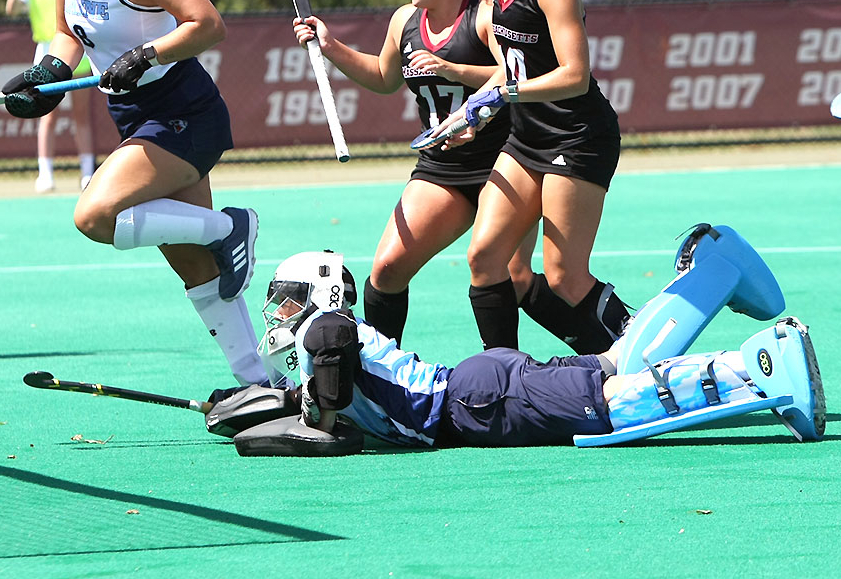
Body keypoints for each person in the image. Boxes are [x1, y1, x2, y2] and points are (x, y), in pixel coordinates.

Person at [1, 0, 273, 388]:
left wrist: (148, 54)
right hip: (135, 116)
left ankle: (231, 226)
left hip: (184, 112)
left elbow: (208, 24)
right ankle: (259, 383)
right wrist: (47, 76)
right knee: (194, 265)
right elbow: (68, 36)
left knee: (94, 216)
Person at [292, 0, 627, 355]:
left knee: (519, 278)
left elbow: (519, 72)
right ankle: (381, 379)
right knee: (388, 269)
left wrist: (454, 71)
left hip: (503, 158)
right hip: (442, 169)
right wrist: (330, 45)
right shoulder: (405, 22)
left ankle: (583, 356)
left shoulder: (486, 14)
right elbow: (382, 77)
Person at [209, 248, 825, 456]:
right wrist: (247, 404)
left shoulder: (328, 331)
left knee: (617, 403)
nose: (280, 315)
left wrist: (308, 415)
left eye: (288, 300)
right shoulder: (327, 354)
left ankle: (760, 365)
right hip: (482, 389)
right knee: (620, 367)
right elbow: (317, 395)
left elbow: (330, 380)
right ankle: (712, 266)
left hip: (475, 401)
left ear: (317, 293)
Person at [431, 0, 628, 354]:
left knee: (564, 275)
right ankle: (503, 375)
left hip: (577, 138)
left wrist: (505, 96)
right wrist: (472, 114)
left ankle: (644, 348)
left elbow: (575, 76)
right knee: (489, 259)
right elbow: (508, 69)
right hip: (527, 139)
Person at [5, 0, 97, 192]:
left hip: (78, 52)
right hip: (47, 54)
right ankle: (45, 174)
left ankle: (87, 174)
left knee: (81, 116)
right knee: (47, 115)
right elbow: (11, 10)